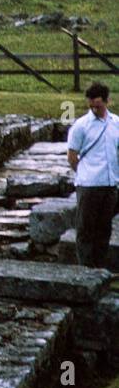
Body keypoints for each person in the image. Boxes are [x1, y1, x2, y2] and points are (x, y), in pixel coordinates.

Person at [66, 81, 119, 268]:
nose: (95, 110)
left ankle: (100, 266)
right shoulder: (81, 125)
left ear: (107, 101)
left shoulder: (116, 123)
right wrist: (85, 174)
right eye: (91, 106)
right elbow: (72, 156)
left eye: (98, 106)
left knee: (104, 229)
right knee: (85, 230)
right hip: (88, 185)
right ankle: (86, 270)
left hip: (110, 184)